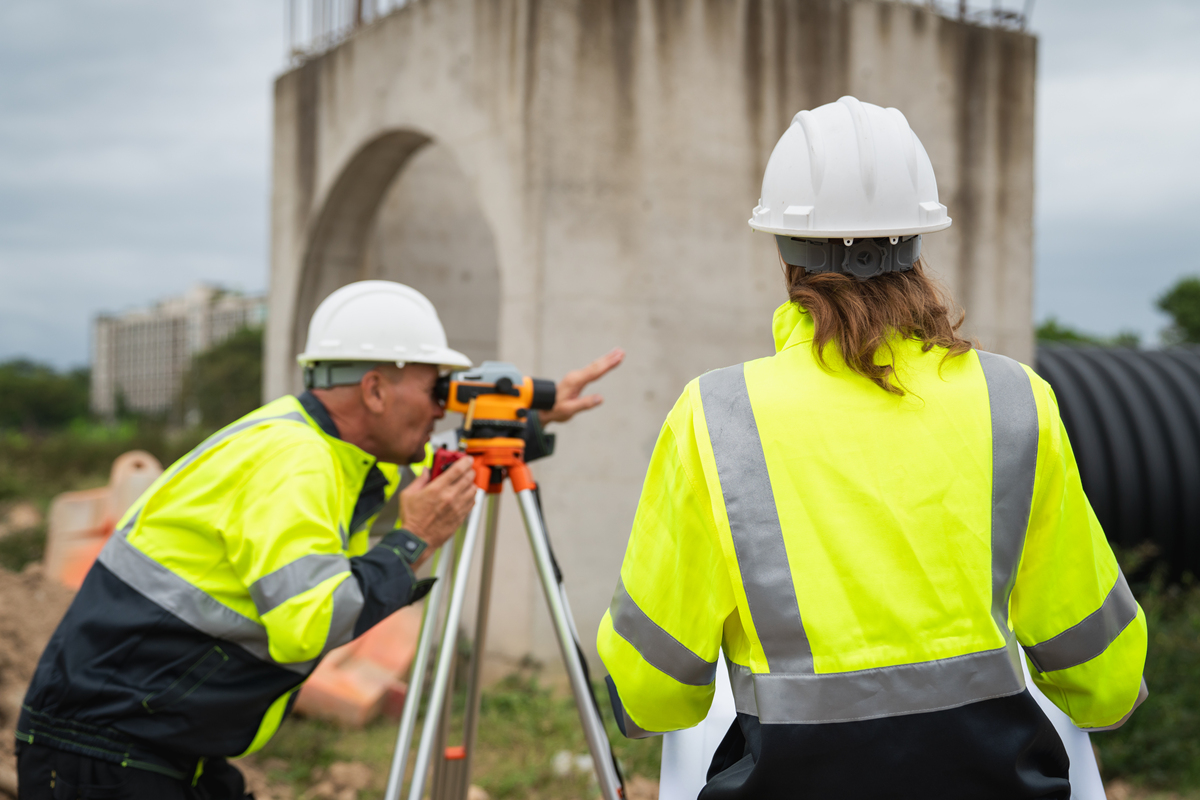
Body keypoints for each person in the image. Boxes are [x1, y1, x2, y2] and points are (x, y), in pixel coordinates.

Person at [597, 97, 1147, 799]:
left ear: (784, 252)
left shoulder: (715, 416)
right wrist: (1106, 697)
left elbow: (654, 688)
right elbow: (1101, 670)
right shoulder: (1016, 401)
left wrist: (649, 701)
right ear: (920, 243)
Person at [16, 280, 623, 800]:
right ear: (376, 390)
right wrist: (410, 543)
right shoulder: (296, 463)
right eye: (437, 388)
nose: (444, 408)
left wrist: (529, 418)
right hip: (106, 757)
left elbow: (438, 461)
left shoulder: (320, 447)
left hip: (151, 743)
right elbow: (309, 622)